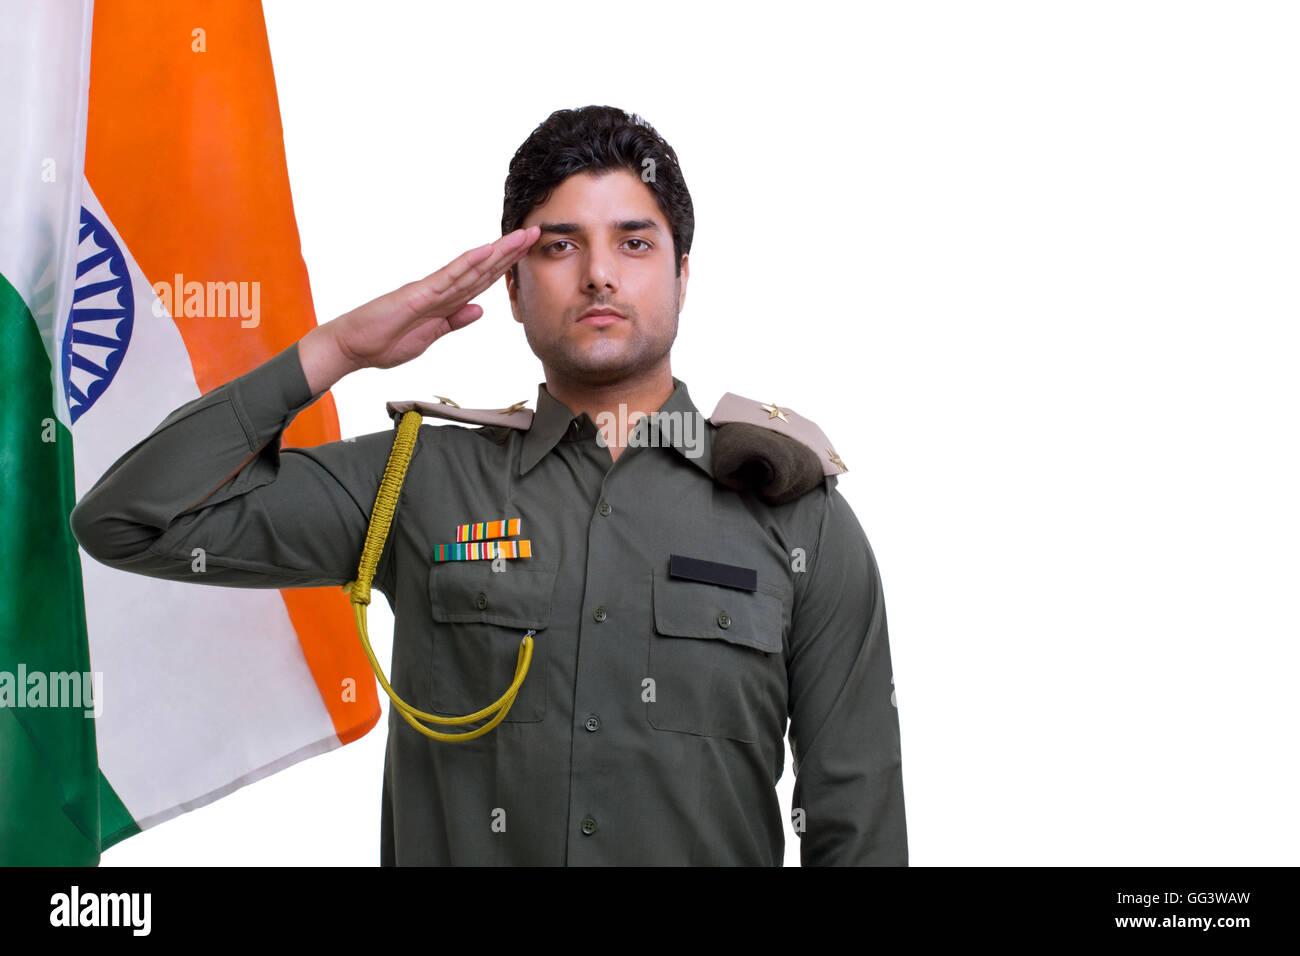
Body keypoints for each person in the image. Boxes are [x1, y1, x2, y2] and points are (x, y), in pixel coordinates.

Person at [70, 105, 907, 865]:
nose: (600, 276)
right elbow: (131, 522)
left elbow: (855, 823)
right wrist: (336, 352)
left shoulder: (799, 520)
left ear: (684, 276)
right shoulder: (411, 481)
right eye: (560, 245)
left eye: (635, 242)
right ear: (510, 286)